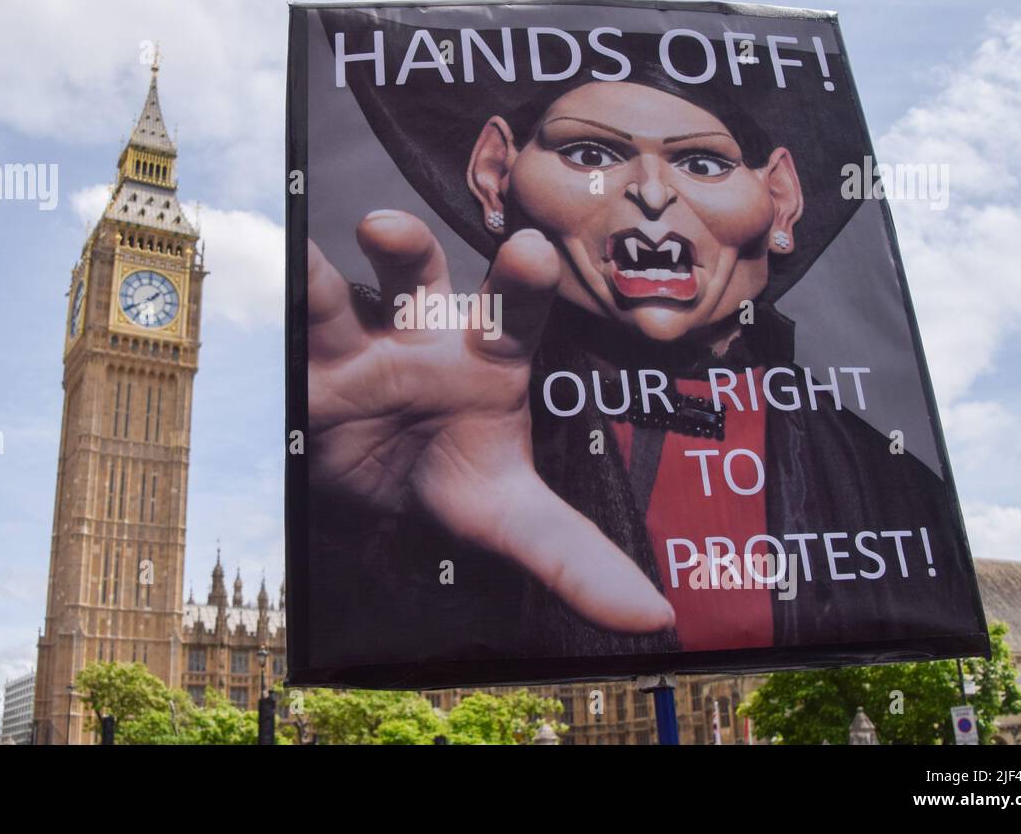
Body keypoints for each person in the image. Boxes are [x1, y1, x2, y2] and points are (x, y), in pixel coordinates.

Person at [302, 38, 985, 683]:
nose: (653, 194)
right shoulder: (460, 423)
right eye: (590, 154)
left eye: (703, 163)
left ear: (779, 200)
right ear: (495, 174)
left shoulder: (890, 484)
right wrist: (365, 521)